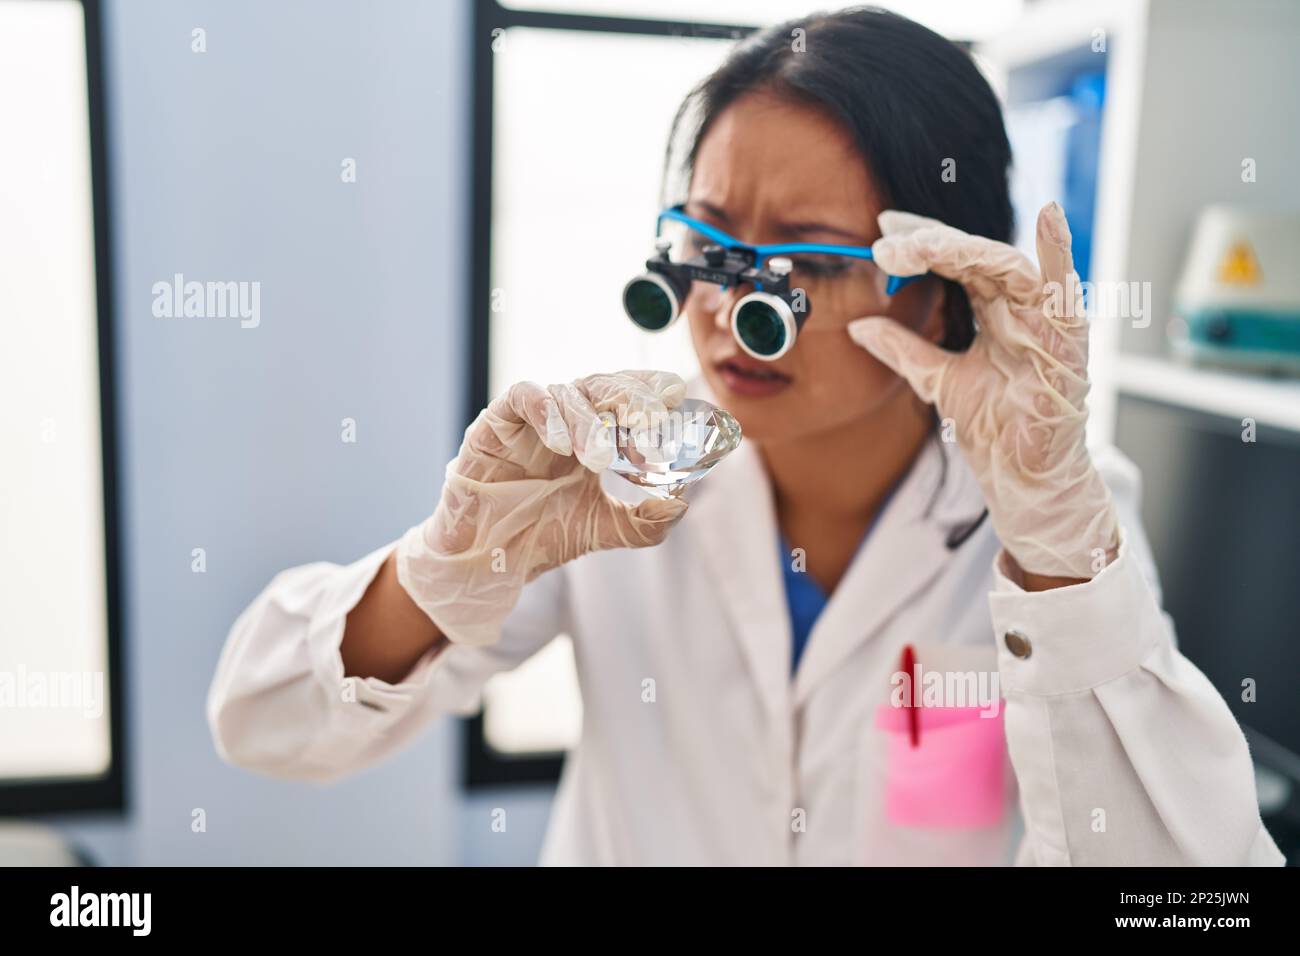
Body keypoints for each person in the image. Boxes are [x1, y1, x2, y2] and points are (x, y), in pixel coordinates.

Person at [207, 7, 1283, 865]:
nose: (725, 315)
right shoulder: (616, 477)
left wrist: (1058, 562)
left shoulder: (1060, 510)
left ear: (936, 283)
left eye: (800, 264)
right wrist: (446, 565)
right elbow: (263, 723)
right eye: (708, 248)